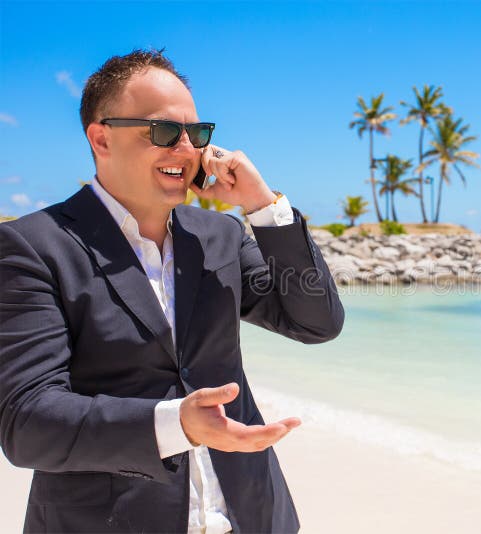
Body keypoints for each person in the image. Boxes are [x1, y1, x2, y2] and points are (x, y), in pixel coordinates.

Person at [0, 49, 344, 533]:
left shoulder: (220, 236)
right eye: (163, 132)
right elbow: (27, 422)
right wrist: (174, 425)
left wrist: (263, 206)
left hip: (252, 516)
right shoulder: (33, 247)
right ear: (101, 138)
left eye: (196, 134)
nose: (184, 149)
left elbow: (317, 322)